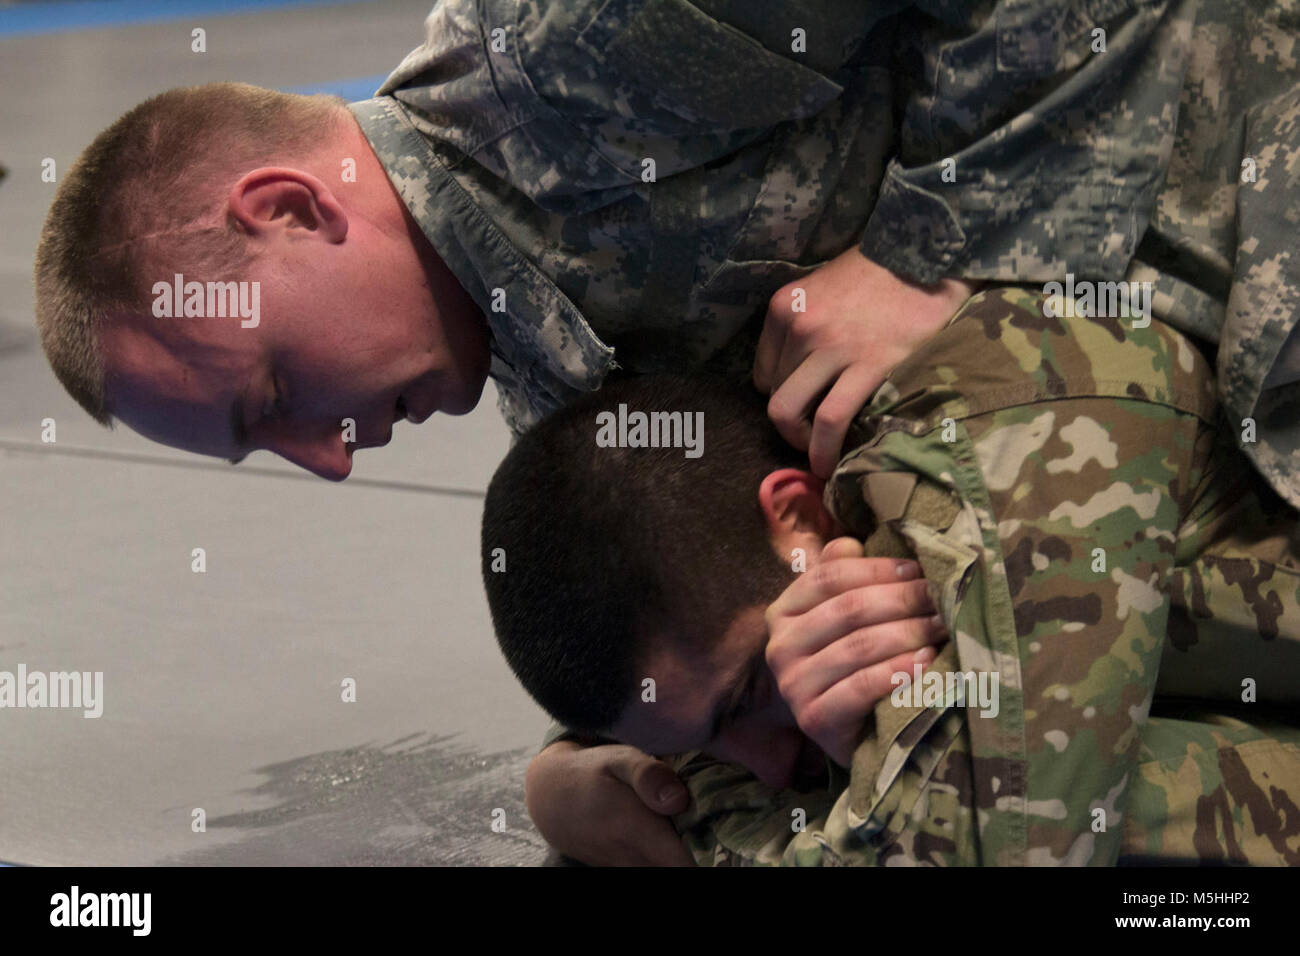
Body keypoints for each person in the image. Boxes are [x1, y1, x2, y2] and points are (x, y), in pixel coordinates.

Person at [31, 0, 1300, 860]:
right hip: (1176, 464)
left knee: (996, 807)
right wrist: (585, 764)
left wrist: (936, 245)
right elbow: (701, 595)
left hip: (1252, 259)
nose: (325, 454)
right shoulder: (546, 357)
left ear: (289, 210)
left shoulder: (569, 48)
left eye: (270, 400)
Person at [482, 286, 1300, 865]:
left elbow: (995, 850)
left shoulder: (1003, 439)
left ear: (799, 518)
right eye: (711, 752)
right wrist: (560, 778)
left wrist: (728, 817)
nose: (770, 770)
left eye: (749, 697)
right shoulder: (778, 569)